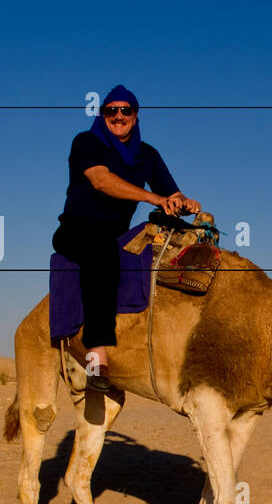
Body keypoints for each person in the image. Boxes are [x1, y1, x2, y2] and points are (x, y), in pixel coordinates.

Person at [52, 84, 200, 390]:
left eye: (125, 110)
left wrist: (184, 202)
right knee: (102, 252)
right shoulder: (86, 142)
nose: (118, 116)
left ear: (135, 116)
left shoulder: (147, 154)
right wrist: (152, 198)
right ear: (103, 114)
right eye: (111, 110)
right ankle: (96, 355)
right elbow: (101, 180)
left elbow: (171, 191)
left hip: (118, 233)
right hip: (77, 230)